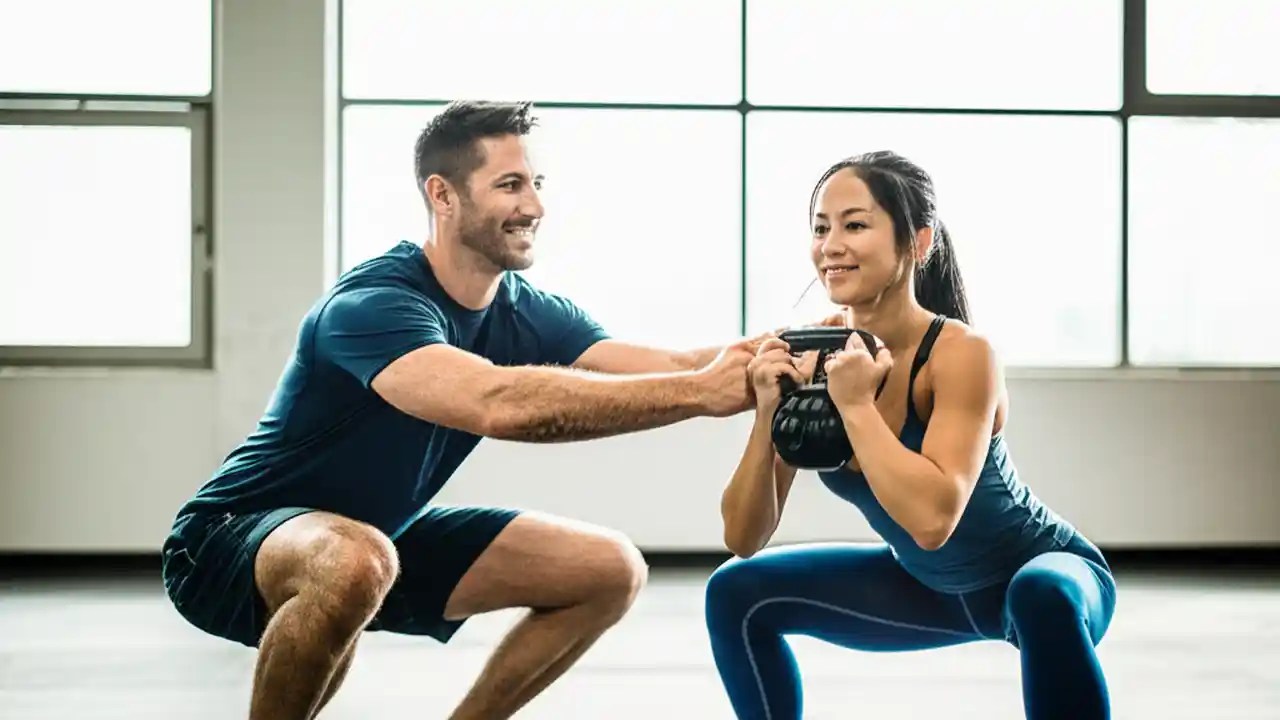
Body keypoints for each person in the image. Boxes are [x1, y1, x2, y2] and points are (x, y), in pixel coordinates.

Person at [161, 100, 762, 720]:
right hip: (229, 539)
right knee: (354, 560)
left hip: (380, 538)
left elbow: (677, 363)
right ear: (442, 195)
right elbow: (495, 403)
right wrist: (700, 392)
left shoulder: (524, 309)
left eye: (536, 182)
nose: (534, 205)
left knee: (608, 569)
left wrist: (792, 348)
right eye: (510, 185)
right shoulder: (374, 304)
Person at [705, 150, 1117, 720]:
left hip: (1044, 576)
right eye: (821, 229)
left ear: (918, 243)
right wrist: (767, 416)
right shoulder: (809, 352)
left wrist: (855, 406)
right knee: (734, 591)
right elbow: (743, 536)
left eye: (855, 225)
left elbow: (931, 522)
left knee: (1039, 595)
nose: (831, 246)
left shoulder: (961, 354)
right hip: (926, 589)